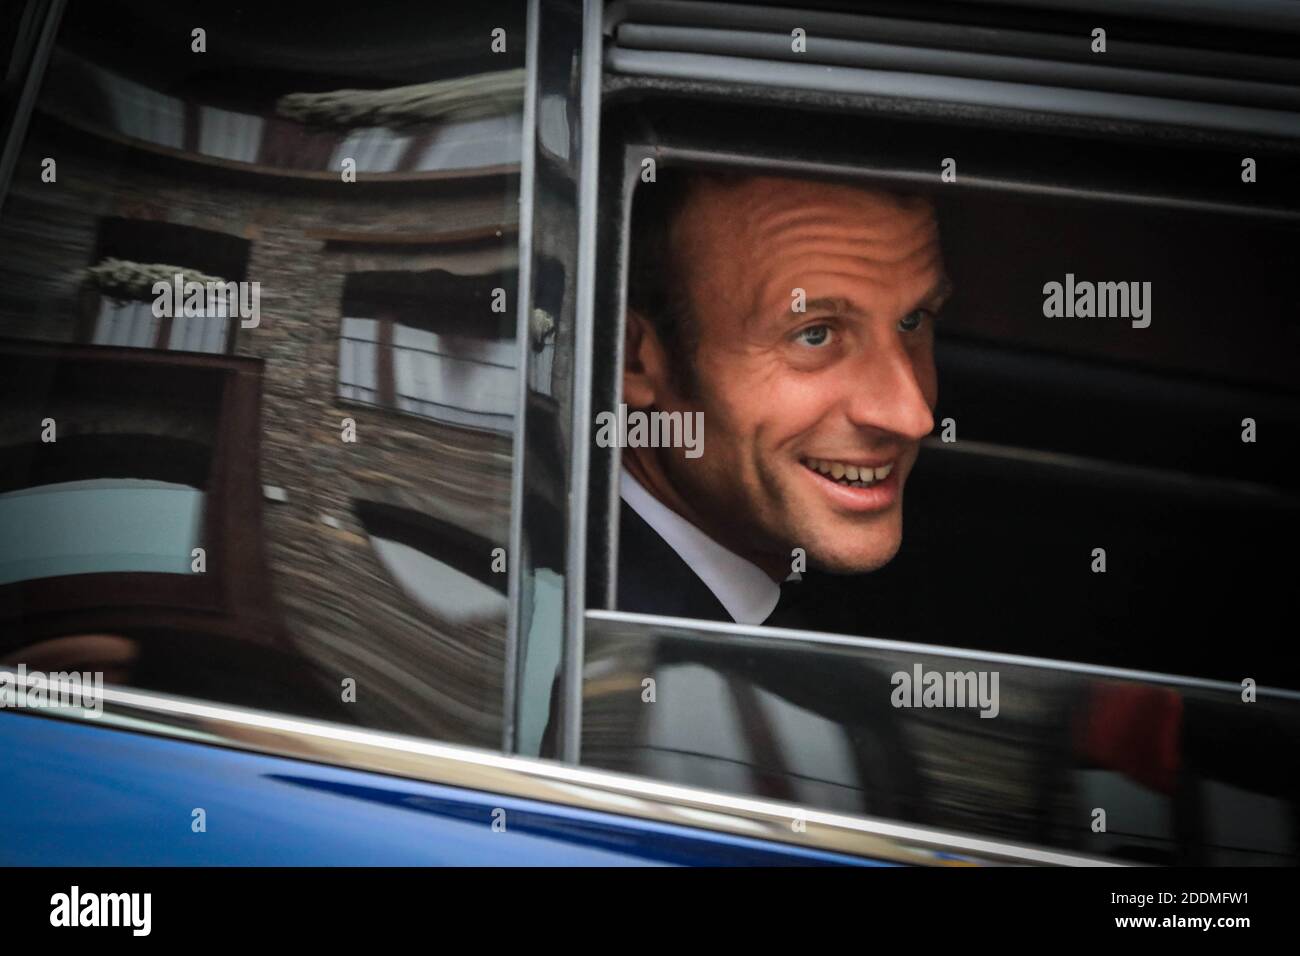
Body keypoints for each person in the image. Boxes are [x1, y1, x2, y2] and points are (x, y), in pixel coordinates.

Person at [615, 170, 949, 629]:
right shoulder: (622, 666)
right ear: (633, 359)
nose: (912, 416)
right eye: (814, 335)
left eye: (912, 322)